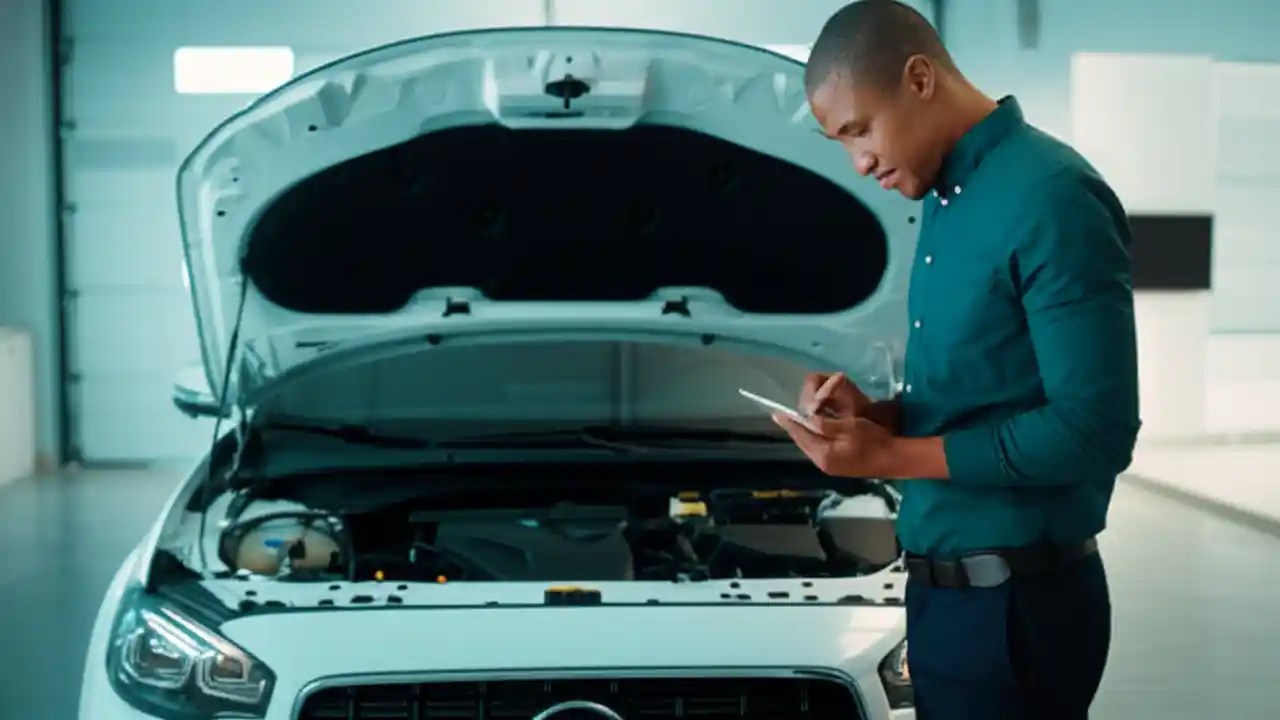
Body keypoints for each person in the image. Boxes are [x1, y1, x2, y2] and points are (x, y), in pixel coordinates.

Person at [770, 2, 1142, 718]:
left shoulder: (1053, 197)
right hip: (946, 603)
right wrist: (876, 419)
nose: (859, 163)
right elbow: (982, 393)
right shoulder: (946, 196)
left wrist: (891, 455)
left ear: (920, 79)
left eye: (860, 130)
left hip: (1015, 608)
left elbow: (1095, 430)